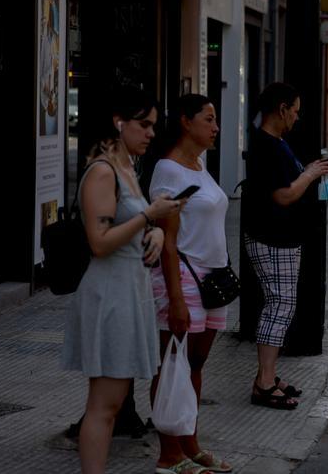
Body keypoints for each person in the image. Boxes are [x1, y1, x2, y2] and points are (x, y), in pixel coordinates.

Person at [61, 86, 184, 474]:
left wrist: (158, 231)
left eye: (153, 125)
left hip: (129, 292)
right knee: (104, 406)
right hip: (109, 294)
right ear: (120, 123)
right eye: (143, 124)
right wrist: (150, 217)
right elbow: (99, 242)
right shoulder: (103, 170)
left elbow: (129, 227)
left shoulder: (128, 168)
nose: (151, 133)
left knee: (111, 404)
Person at [149, 94, 232, 473]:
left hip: (214, 279)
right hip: (183, 276)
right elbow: (167, 238)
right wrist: (177, 298)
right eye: (209, 119)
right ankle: (169, 455)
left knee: (195, 364)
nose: (216, 127)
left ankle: (191, 444)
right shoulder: (168, 170)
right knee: (173, 365)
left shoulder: (199, 165)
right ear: (186, 121)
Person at [243, 82, 328, 409]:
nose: (296, 117)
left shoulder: (273, 143)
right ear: (281, 109)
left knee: (281, 304)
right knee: (279, 305)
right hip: (272, 237)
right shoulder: (268, 146)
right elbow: (284, 195)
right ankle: (264, 382)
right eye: (294, 111)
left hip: (279, 237)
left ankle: (267, 375)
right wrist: (310, 174)